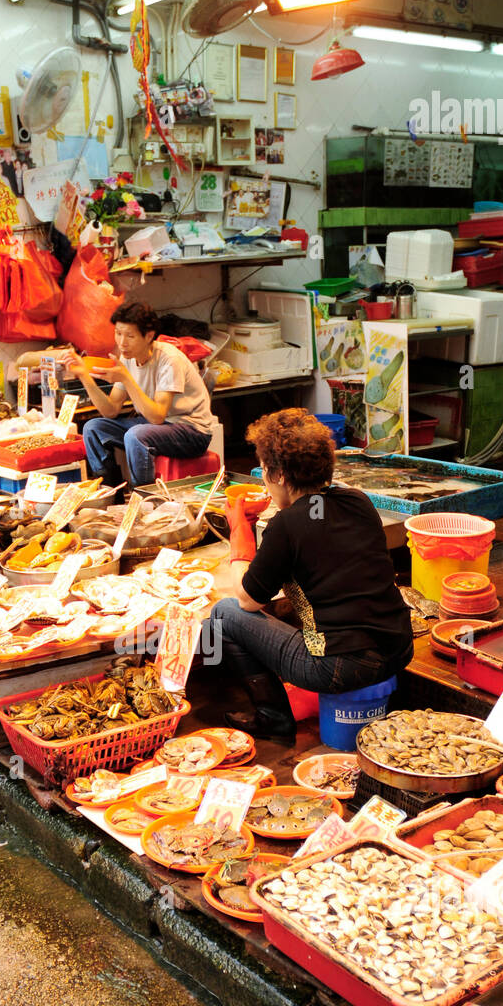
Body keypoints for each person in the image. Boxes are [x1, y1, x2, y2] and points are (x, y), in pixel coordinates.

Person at [208, 409, 414, 742]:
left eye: (264, 472)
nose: (264, 480)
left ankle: (273, 718)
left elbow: (247, 600)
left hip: (336, 667)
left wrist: (239, 535)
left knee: (222, 614)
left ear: (278, 475)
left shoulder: (286, 526)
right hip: (399, 648)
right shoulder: (358, 502)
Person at [71, 301, 214, 489]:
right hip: (155, 426)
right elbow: (111, 410)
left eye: (130, 336)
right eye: (118, 333)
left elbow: (157, 416)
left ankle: (143, 498)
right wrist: (84, 376)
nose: (122, 342)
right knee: (93, 428)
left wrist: (126, 379)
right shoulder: (127, 358)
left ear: (148, 336)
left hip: (191, 430)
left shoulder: (168, 359)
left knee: (135, 435)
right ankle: (110, 495)